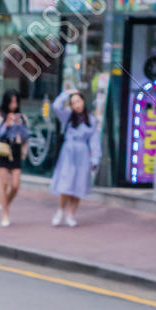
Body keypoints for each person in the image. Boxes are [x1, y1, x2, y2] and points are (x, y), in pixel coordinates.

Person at [50, 87, 101, 227]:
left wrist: (95, 159)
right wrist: (67, 93)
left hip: (83, 153)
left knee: (79, 184)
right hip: (68, 153)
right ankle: (60, 211)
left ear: (83, 101)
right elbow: (56, 106)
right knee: (65, 183)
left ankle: (71, 214)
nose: (77, 105)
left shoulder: (91, 120)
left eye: (78, 101)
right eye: (73, 103)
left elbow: (94, 141)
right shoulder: (67, 116)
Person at [0, 91, 27, 228]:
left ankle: (5, 203)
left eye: (16, 102)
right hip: (2, 150)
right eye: (11, 102)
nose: (13, 105)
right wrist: (6, 124)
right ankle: (5, 214)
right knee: (4, 184)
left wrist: (20, 124)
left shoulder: (20, 117)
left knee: (15, 186)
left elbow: (25, 136)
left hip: (15, 151)